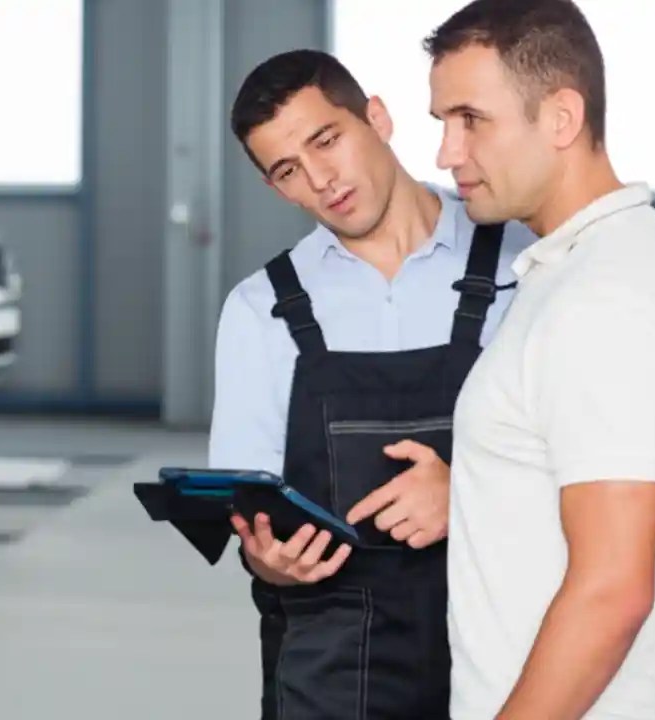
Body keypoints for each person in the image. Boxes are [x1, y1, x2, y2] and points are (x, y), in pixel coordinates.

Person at [424, 1, 655, 718]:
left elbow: (613, 590)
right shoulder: (581, 269)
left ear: (561, 118)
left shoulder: (608, 298)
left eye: (471, 119)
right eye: (442, 121)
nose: (446, 152)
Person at [208, 49, 534, 719]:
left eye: (327, 140)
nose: (323, 180)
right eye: (289, 170)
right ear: (276, 188)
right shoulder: (259, 311)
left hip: (502, 652)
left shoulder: (523, 268)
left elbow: (590, 472)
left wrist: (466, 493)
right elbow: (249, 510)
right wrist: (268, 559)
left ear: (376, 118)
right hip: (331, 670)